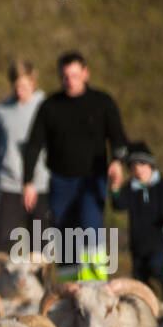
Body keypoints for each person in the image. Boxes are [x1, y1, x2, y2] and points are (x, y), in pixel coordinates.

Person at [22, 51, 128, 281]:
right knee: (65, 237)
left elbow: (119, 139)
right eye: (65, 76)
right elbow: (33, 145)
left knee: (91, 229)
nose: (70, 81)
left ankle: (97, 287)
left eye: (74, 75)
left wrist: (118, 163)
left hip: (92, 179)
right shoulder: (50, 106)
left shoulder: (102, 102)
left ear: (85, 73)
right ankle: (69, 293)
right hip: (61, 181)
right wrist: (28, 181)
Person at [109, 142, 163, 302]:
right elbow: (118, 204)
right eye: (133, 167)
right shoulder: (131, 189)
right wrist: (115, 187)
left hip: (159, 241)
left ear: (151, 165)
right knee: (140, 280)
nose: (138, 170)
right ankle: (148, 303)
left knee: (158, 269)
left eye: (142, 164)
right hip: (138, 245)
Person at [0, 59, 50, 256]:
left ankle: (40, 285)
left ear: (33, 83)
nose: (19, 91)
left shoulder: (46, 107)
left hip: (40, 185)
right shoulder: (2, 111)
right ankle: (0, 284)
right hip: (9, 184)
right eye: (15, 87)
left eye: (23, 86)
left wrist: (33, 182)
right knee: (3, 243)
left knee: (39, 245)